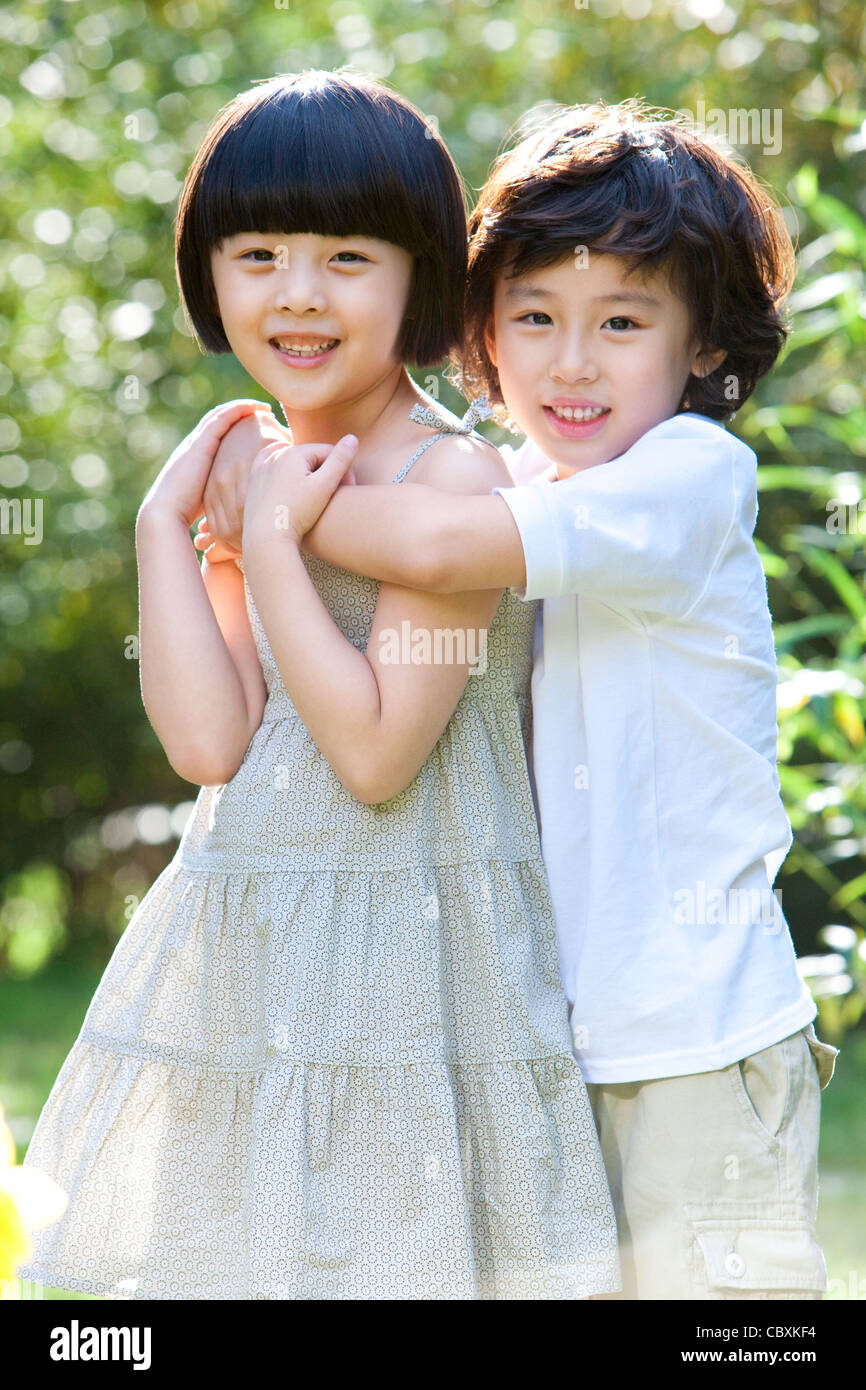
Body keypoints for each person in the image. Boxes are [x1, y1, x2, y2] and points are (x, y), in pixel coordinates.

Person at [197, 97, 839, 1300]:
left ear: (703, 344)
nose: (571, 361)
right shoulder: (537, 483)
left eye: (622, 322)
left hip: (690, 1037)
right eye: (532, 318)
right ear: (481, 330)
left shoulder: (687, 477)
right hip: (547, 1033)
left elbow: (437, 547)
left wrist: (273, 499)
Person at [16, 71, 619, 1301]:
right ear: (208, 275)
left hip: (414, 960)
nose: (296, 292)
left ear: (421, 281)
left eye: (348, 254)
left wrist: (277, 542)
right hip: (259, 940)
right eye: (257, 254)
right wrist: (164, 526)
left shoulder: (449, 487)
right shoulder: (263, 464)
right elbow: (208, 740)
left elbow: (379, 754)